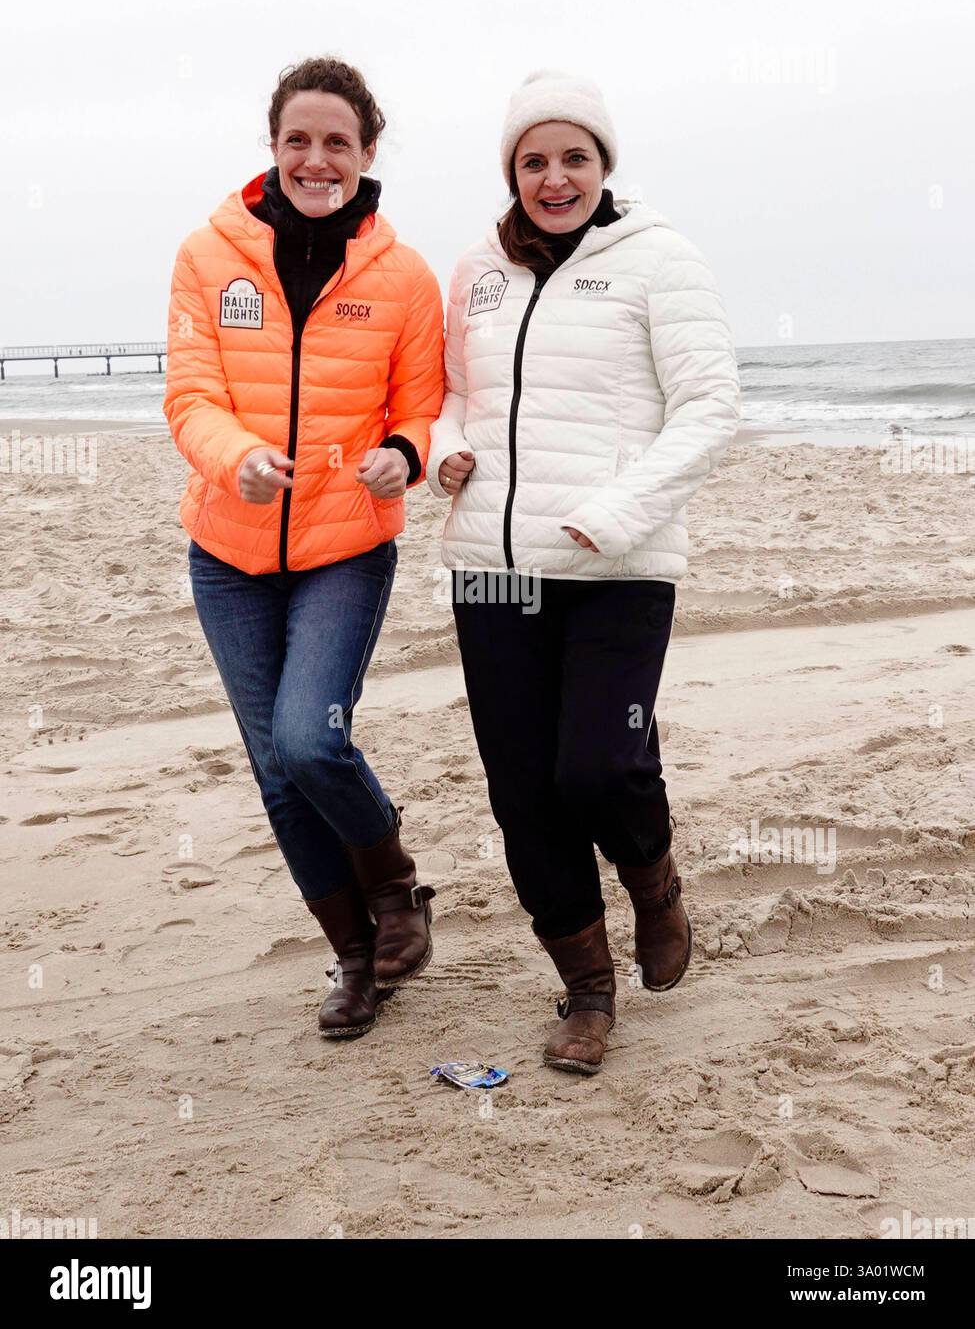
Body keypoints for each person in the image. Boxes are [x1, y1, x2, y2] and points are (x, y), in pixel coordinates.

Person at [427, 70, 740, 1075]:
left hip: (616, 563)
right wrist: (443, 453)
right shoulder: (478, 267)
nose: (553, 178)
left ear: (604, 165)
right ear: (511, 171)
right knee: (524, 793)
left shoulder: (660, 259)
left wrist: (616, 511)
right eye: (533, 161)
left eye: (573, 157)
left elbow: (709, 406)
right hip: (493, 568)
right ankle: (587, 991)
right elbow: (447, 393)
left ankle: (653, 883)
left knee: (599, 764)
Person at [163, 57, 444, 1041]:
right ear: (272, 146)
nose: (315, 159)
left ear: (367, 153)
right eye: (297, 139)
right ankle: (357, 956)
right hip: (226, 552)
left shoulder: (405, 277)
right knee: (276, 770)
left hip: (343, 547)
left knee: (311, 738)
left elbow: (420, 407)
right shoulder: (208, 256)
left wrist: (400, 456)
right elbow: (189, 395)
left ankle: (397, 884)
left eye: (337, 142)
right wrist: (234, 457)